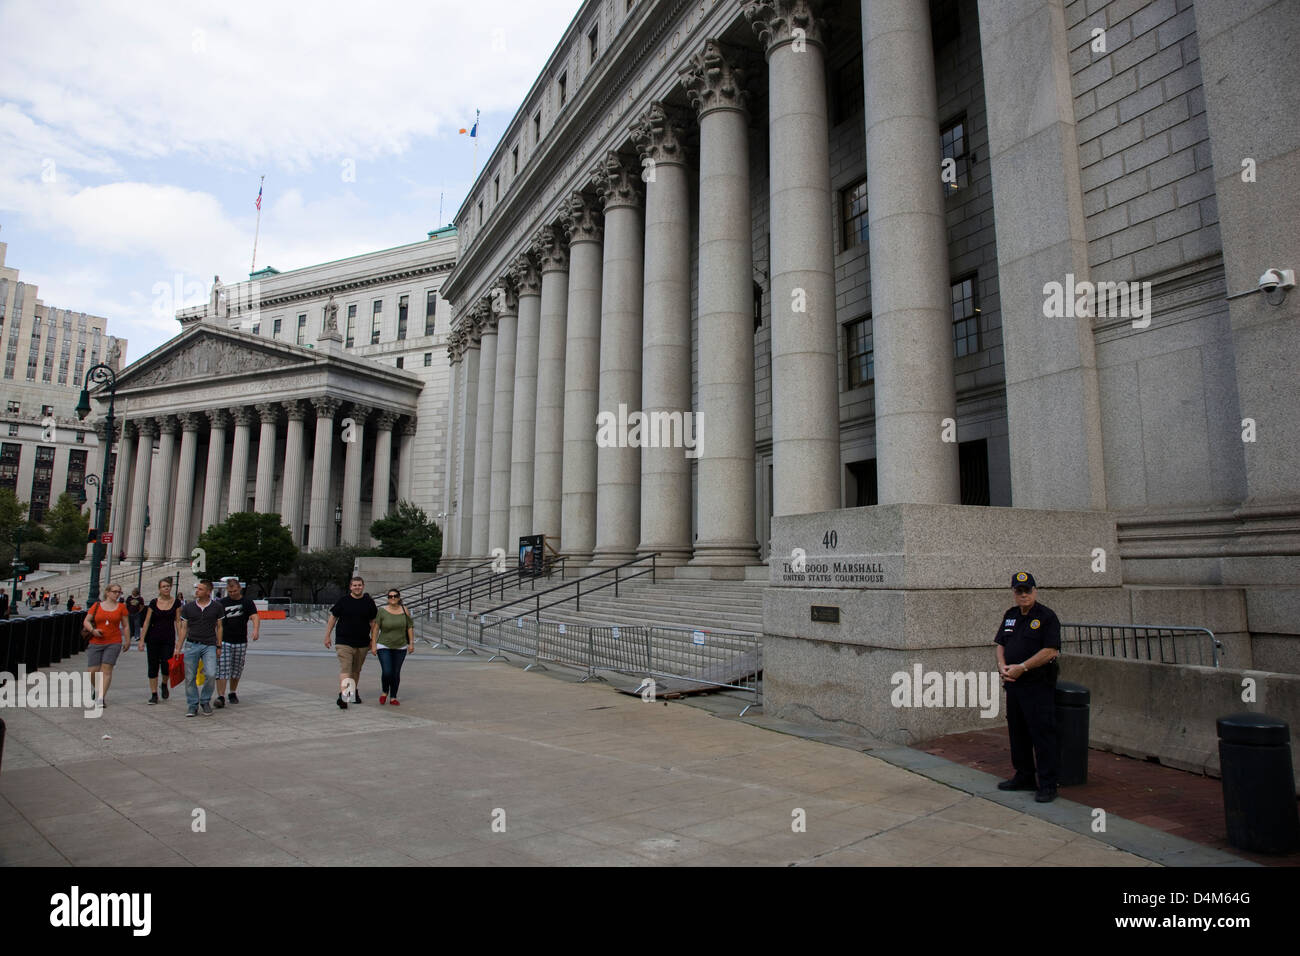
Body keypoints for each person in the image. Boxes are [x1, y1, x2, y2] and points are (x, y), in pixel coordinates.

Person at [995, 571, 1062, 803]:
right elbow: (1001, 644)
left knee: (1042, 734)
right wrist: (1002, 666)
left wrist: (1022, 667)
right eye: (1019, 590)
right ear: (1013, 593)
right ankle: (1024, 776)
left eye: (1027, 590)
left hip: (1037, 685)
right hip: (1014, 685)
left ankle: (1047, 784)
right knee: (1018, 732)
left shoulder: (1046, 616)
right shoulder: (1011, 615)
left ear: (1035, 590)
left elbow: (1050, 650)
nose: (1023, 594)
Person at [324, 576, 376, 709]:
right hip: (344, 641)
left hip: (363, 642)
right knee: (346, 668)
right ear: (350, 587)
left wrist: (373, 640)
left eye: (359, 585)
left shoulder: (369, 602)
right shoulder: (343, 601)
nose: (357, 587)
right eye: (354, 585)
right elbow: (333, 618)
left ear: (363, 586)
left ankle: (352, 692)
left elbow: (373, 622)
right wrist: (327, 635)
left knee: (356, 670)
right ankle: (344, 696)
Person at [177, 579, 224, 717]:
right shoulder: (189, 607)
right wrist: (178, 647)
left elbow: (220, 626)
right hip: (191, 644)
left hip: (209, 644)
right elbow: (183, 628)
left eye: (201, 589)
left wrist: (219, 645)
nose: (197, 591)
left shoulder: (216, 607)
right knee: (190, 676)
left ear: (209, 592)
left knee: (210, 673)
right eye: (197, 588)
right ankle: (192, 704)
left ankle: (205, 700)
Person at [82, 584, 130, 707]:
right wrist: (93, 631)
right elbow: (86, 621)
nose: (117, 594)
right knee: (92, 671)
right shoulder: (97, 606)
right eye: (115, 592)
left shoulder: (121, 607)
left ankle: (101, 698)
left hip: (114, 641)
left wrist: (127, 640)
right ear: (107, 592)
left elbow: (125, 625)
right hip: (96, 641)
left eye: (119, 592)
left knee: (106, 669)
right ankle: (97, 688)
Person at [216, 577, 259, 707]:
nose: (232, 593)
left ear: (239, 588)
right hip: (225, 640)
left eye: (234, 591)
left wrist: (256, 630)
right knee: (222, 669)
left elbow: (254, 616)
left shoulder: (247, 602)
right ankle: (221, 696)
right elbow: (217, 623)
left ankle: (232, 692)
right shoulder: (222, 603)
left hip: (240, 640)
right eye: (230, 591)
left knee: (236, 669)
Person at [139, 577, 181, 704]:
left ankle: (164, 683)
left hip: (168, 637)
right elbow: (146, 621)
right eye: (163, 586)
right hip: (153, 637)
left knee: (166, 665)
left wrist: (179, 641)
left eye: (168, 586)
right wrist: (141, 640)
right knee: (153, 665)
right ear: (159, 589)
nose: (166, 588)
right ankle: (154, 694)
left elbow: (178, 621)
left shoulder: (176, 603)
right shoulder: (153, 602)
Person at [371, 588, 414, 705]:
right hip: (384, 645)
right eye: (390, 596)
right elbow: (376, 628)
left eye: (395, 596)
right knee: (387, 671)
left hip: (400, 646)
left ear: (399, 598)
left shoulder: (405, 610)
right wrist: (373, 644)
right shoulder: (382, 611)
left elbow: (409, 627)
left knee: (396, 673)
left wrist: (411, 643)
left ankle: (393, 697)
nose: (393, 598)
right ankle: (385, 691)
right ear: (388, 599)